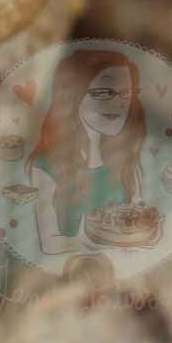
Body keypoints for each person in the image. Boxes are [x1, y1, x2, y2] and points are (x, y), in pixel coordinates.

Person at [25, 44, 147, 257]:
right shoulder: (45, 168)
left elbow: (139, 222)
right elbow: (50, 244)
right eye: (105, 93)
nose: (119, 104)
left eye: (126, 94)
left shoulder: (127, 162)